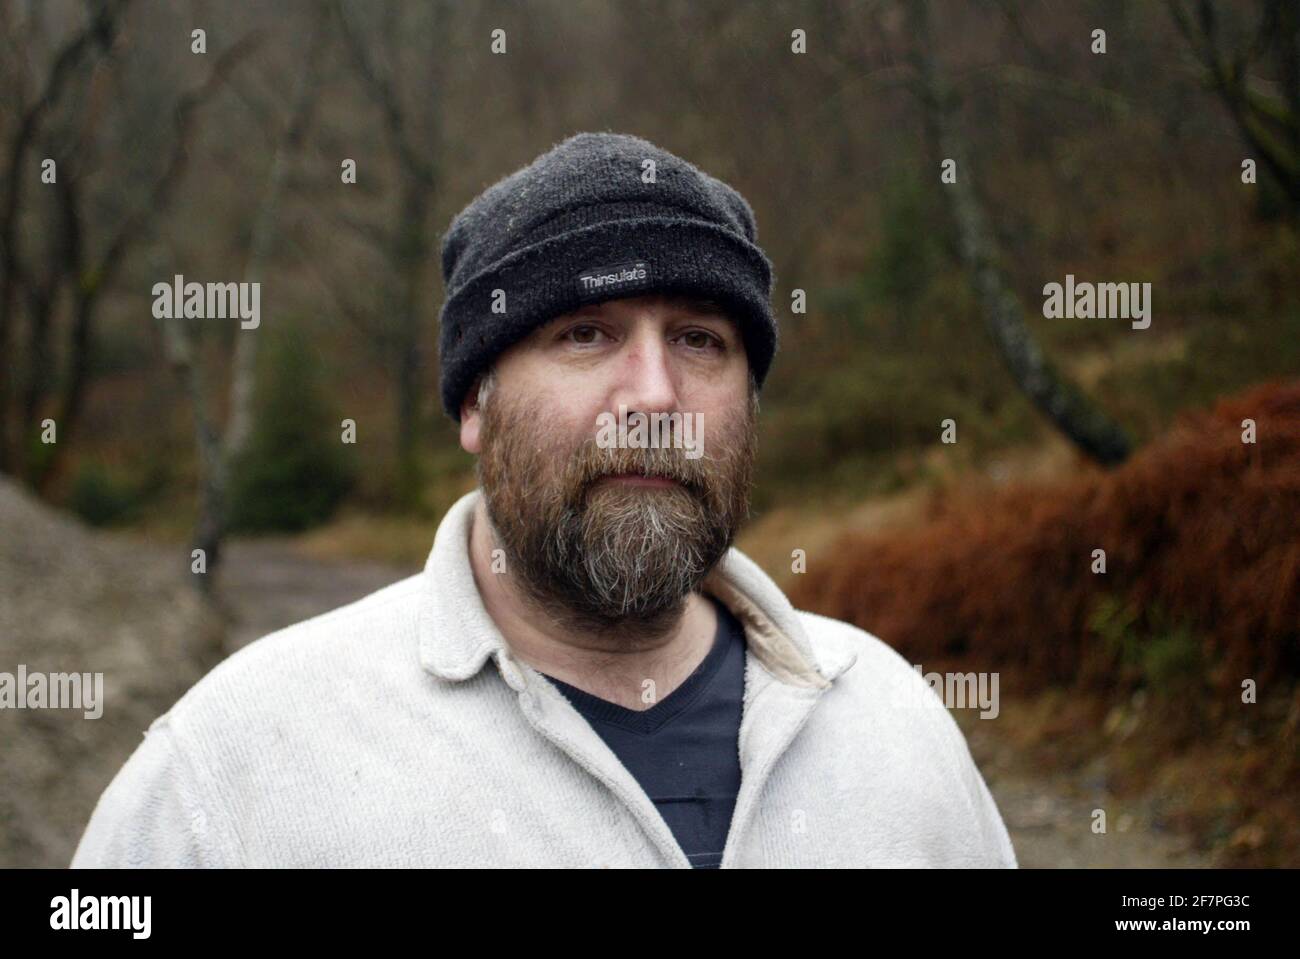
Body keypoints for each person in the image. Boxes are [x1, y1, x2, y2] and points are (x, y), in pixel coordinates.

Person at [72, 132, 1017, 868]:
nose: (653, 396)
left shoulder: (891, 720)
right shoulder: (235, 768)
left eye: (699, 340)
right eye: (585, 333)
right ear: (475, 401)